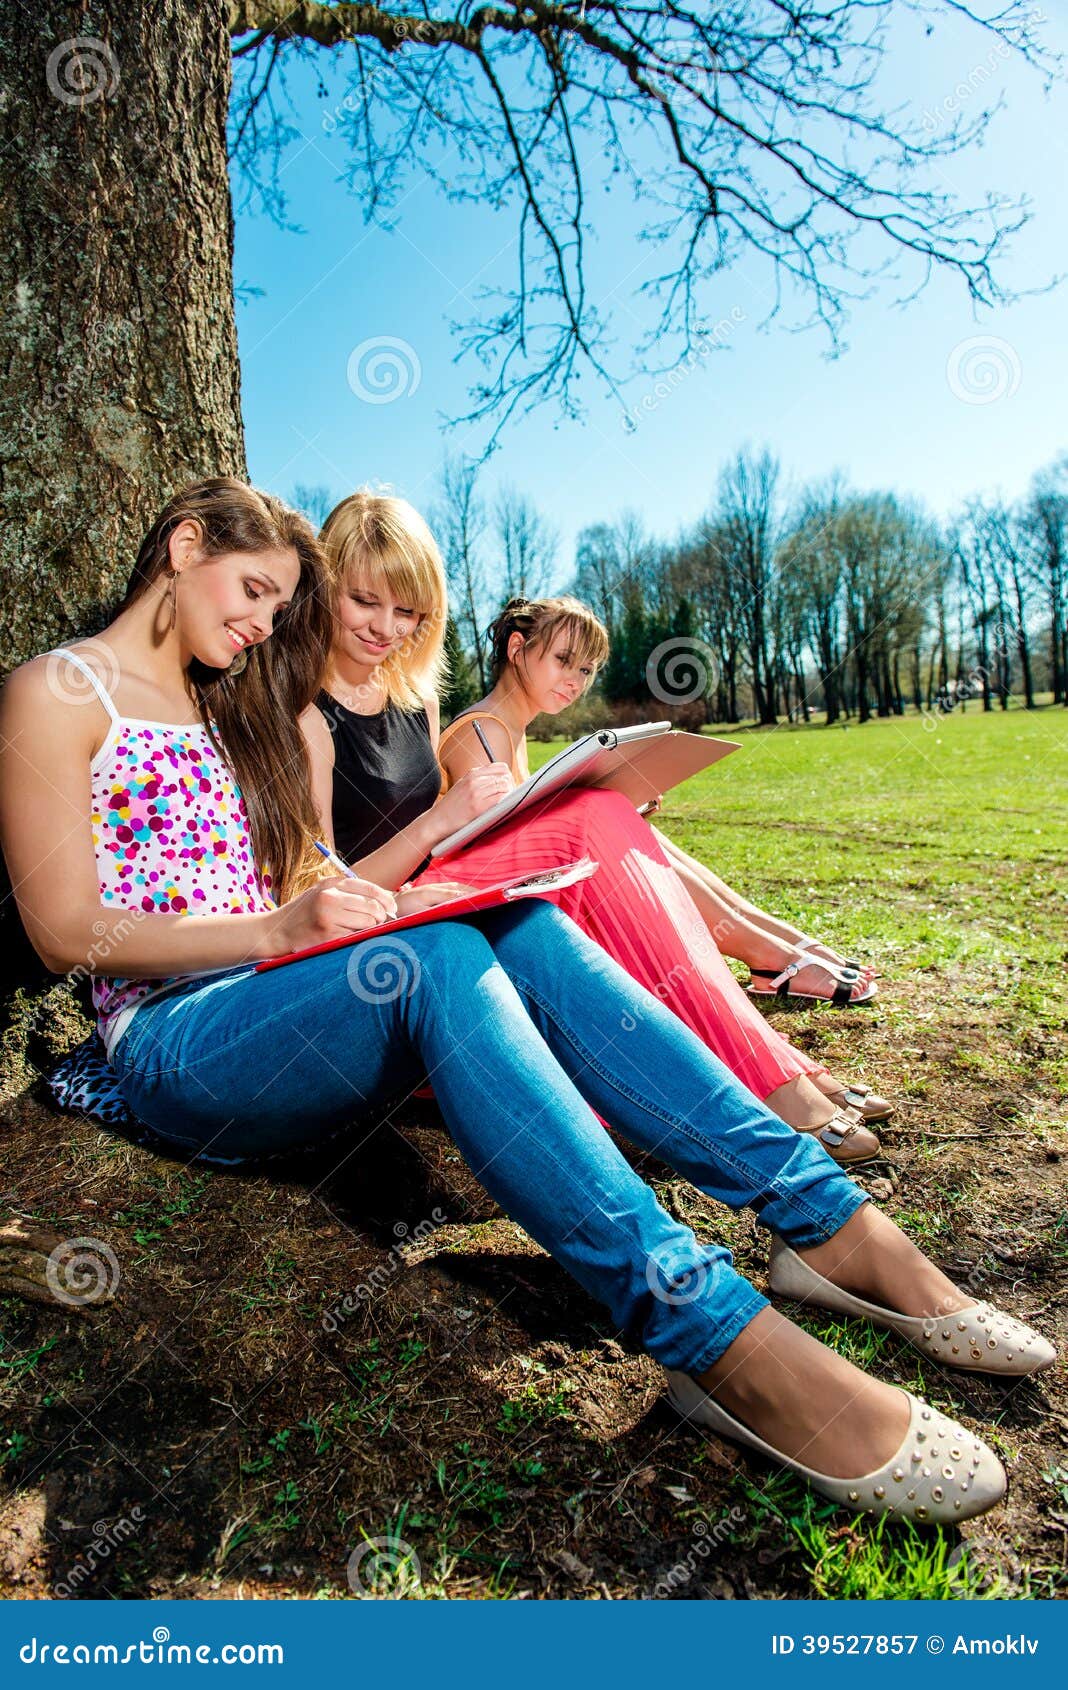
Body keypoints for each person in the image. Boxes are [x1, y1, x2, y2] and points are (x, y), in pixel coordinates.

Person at [2, 476, 1051, 1526]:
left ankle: (826, 1223)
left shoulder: (227, 698)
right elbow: (63, 933)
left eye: (279, 607)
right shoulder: (56, 692)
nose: (264, 622)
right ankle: (714, 1341)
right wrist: (280, 931)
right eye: (253, 590)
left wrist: (364, 898)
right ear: (184, 546)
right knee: (441, 960)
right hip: (174, 1036)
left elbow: (296, 872)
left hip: (286, 996)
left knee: (516, 921)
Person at [301, 495, 887, 1164]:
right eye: (364, 601)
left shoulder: (418, 701)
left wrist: (457, 822)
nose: (385, 627)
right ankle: (769, 1077)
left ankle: (759, 1057)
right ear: (325, 586)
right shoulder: (304, 713)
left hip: (440, 895)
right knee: (592, 815)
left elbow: (444, 837)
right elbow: (317, 889)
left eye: (406, 611)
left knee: (605, 813)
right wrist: (443, 818)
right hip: (376, 931)